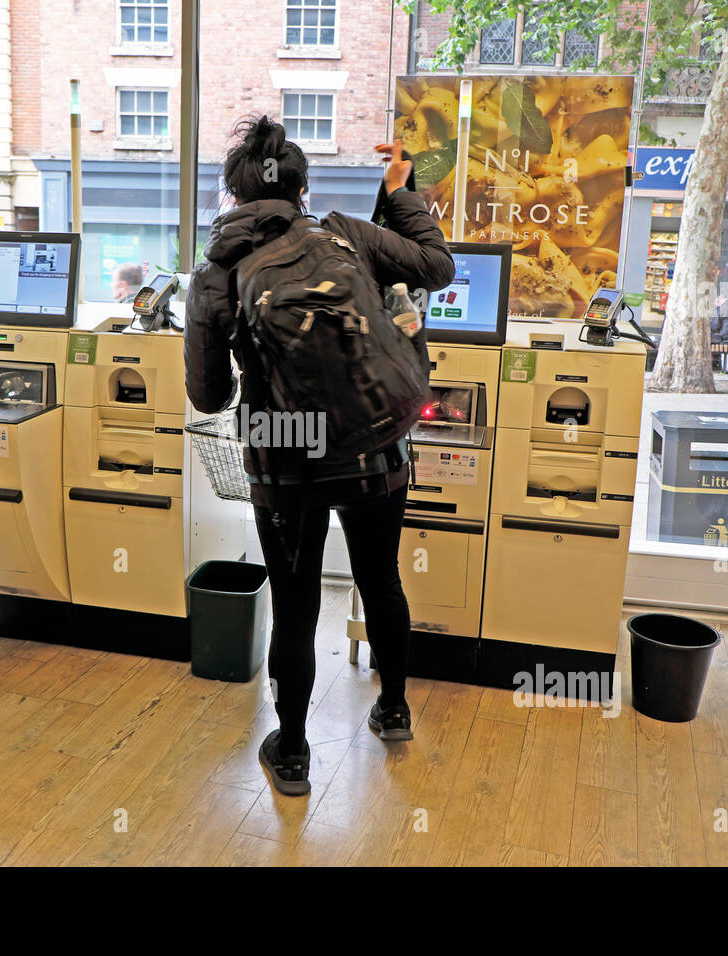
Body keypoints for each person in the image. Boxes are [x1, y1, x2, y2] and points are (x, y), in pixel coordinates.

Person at [185, 116, 454, 796]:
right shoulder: (346, 233)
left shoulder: (215, 274)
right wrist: (401, 192)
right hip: (375, 446)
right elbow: (438, 266)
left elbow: (210, 396)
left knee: (296, 605)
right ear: (301, 190)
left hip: (285, 460)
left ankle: (295, 751)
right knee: (382, 578)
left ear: (233, 196)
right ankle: (393, 710)